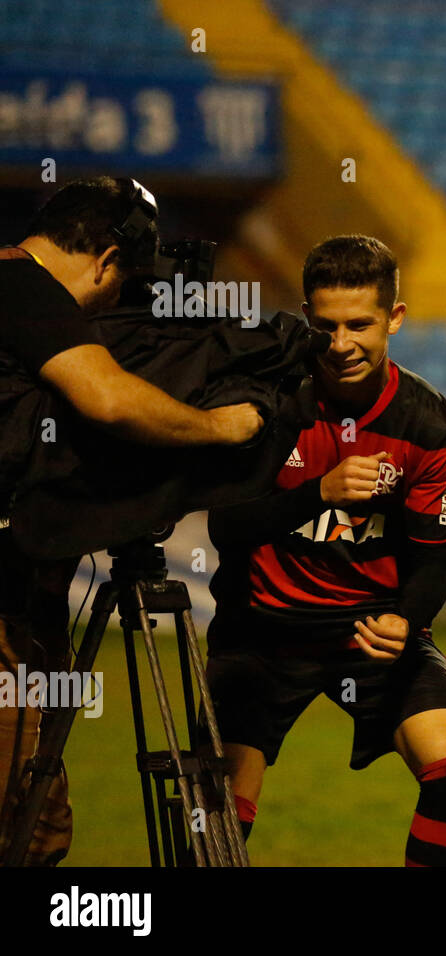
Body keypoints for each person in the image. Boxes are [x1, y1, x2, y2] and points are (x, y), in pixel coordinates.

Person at [0, 176, 263, 865]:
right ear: (108, 260)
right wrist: (215, 425)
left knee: (39, 820)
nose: (111, 310)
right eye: (121, 290)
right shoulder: (23, 288)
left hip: (26, 588)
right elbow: (109, 400)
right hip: (4, 600)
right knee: (14, 816)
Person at [205, 235, 446, 866]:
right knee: (216, 813)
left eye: (361, 324)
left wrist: (405, 617)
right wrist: (316, 493)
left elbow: (434, 558)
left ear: (394, 319)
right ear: (305, 319)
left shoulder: (429, 425)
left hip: (369, 627)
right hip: (262, 630)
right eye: (325, 326)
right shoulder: (271, 402)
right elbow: (227, 528)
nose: (343, 343)